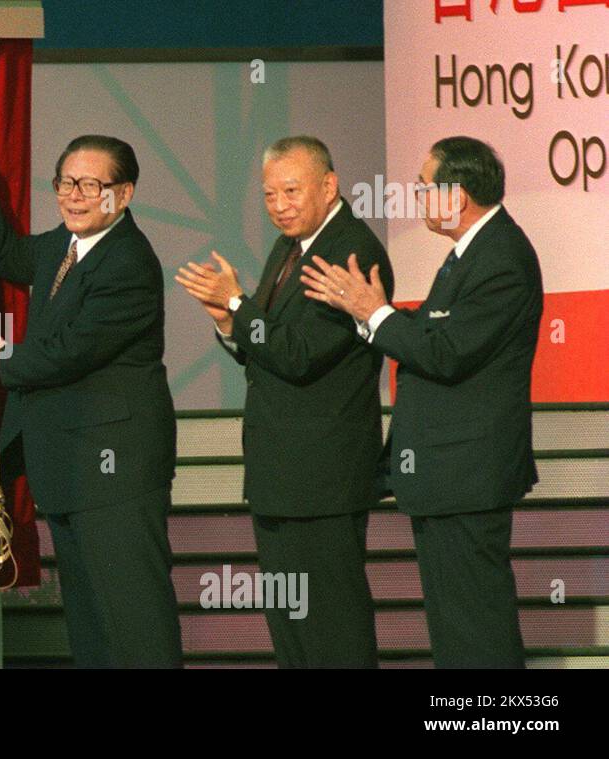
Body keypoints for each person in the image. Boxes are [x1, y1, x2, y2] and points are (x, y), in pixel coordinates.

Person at [300, 136, 540, 668]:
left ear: (456, 195)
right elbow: (434, 335)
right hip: (448, 477)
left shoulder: (501, 257)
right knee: (457, 629)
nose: (417, 197)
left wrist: (374, 313)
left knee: (476, 627)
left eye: (424, 188)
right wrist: (370, 313)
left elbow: (448, 354)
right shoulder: (471, 253)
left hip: (467, 476)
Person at [0, 136, 182, 667]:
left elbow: (72, 352)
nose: (75, 196)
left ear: (123, 194)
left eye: (91, 185)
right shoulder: (67, 244)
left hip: (117, 471)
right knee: (91, 619)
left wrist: (2, 357)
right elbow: (12, 256)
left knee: (134, 616)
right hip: (71, 469)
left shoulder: (127, 261)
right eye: (66, 183)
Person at [175, 135, 391, 667]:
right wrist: (232, 324)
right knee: (291, 624)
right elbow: (269, 350)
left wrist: (236, 301)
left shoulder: (350, 251)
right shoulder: (292, 246)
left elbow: (299, 356)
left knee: (332, 625)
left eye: (291, 191)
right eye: (270, 195)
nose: (279, 206)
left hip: (324, 476)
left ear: (329, 185)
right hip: (281, 474)